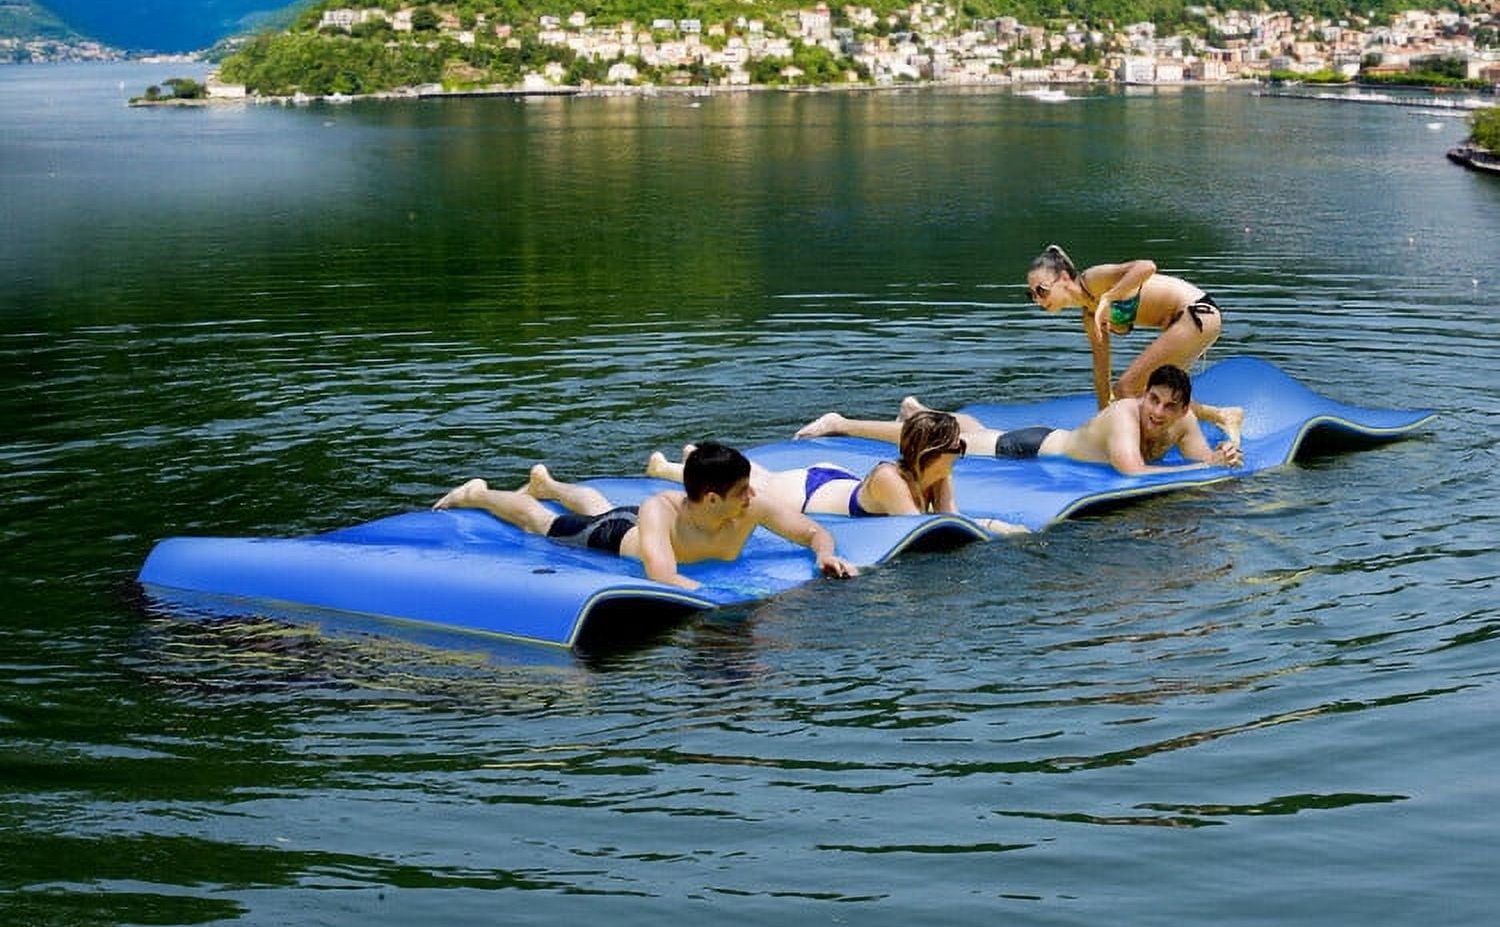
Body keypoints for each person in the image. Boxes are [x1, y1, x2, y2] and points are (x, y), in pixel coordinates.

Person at [433, 439, 856, 591]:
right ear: (711, 499)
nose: (753, 495)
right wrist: (729, 603)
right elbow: (663, 575)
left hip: (634, 522)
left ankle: (549, 484)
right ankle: (480, 493)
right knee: (543, 523)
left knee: (599, 502)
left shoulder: (750, 507)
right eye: (742, 490)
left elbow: (812, 531)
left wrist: (824, 554)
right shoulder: (659, 509)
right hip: (616, 535)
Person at [797, 364, 1242, 477]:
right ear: (1144, 395)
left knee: (973, 429)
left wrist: (1218, 457)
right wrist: (1206, 468)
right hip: (1030, 449)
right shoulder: (1126, 415)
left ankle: (919, 409)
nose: (1157, 412)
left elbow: (1204, 460)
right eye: (1153, 400)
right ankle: (843, 423)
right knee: (945, 441)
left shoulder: (1182, 422)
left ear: (1185, 409)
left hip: (1044, 441)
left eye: (1168, 407)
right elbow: (1132, 470)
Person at [646, 409, 1028, 536]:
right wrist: (993, 528)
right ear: (931, 452)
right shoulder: (890, 479)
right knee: (755, 487)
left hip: (837, 481)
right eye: (956, 447)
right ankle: (667, 468)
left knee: (760, 479)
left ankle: (694, 454)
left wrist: (999, 527)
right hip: (810, 493)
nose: (962, 452)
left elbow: (952, 518)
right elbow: (922, 526)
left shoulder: (938, 473)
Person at [1025, 243, 1243, 442]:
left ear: (1063, 278)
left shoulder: (1093, 280)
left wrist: (1109, 298)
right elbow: (1102, 374)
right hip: (1184, 323)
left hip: (1197, 313)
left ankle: (1159, 442)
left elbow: (1147, 267)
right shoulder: (1090, 317)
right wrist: (1104, 424)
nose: (1037, 300)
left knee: (1127, 388)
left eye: (1041, 291)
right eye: (1031, 295)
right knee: (1148, 393)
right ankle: (1222, 416)